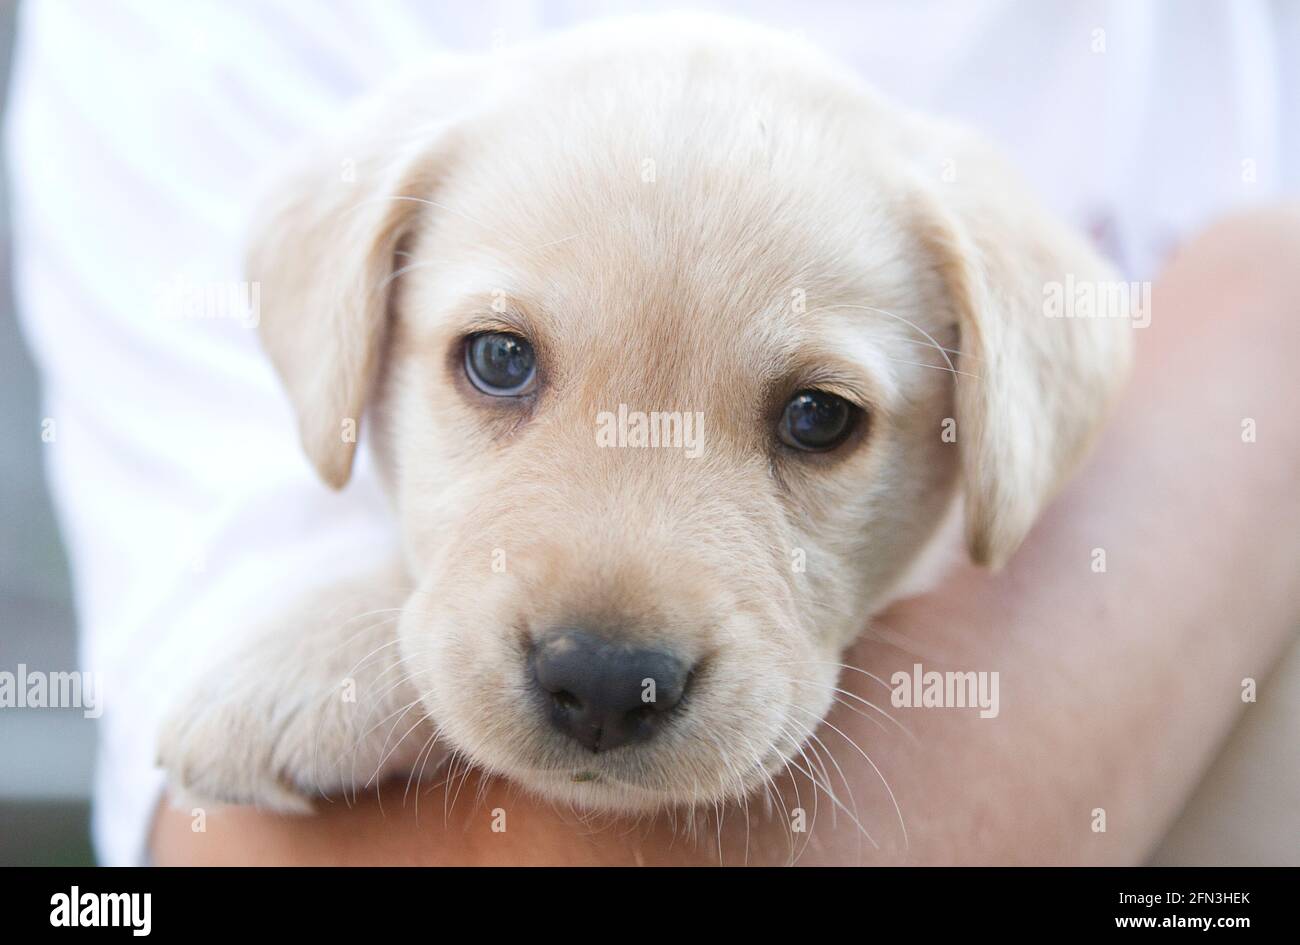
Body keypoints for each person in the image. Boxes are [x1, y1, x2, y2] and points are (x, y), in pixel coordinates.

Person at [7, 0, 1297, 866]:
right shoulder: (195, 42)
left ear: (985, 432)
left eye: (814, 420)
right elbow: (226, 840)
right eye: (501, 364)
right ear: (355, 315)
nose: (609, 656)